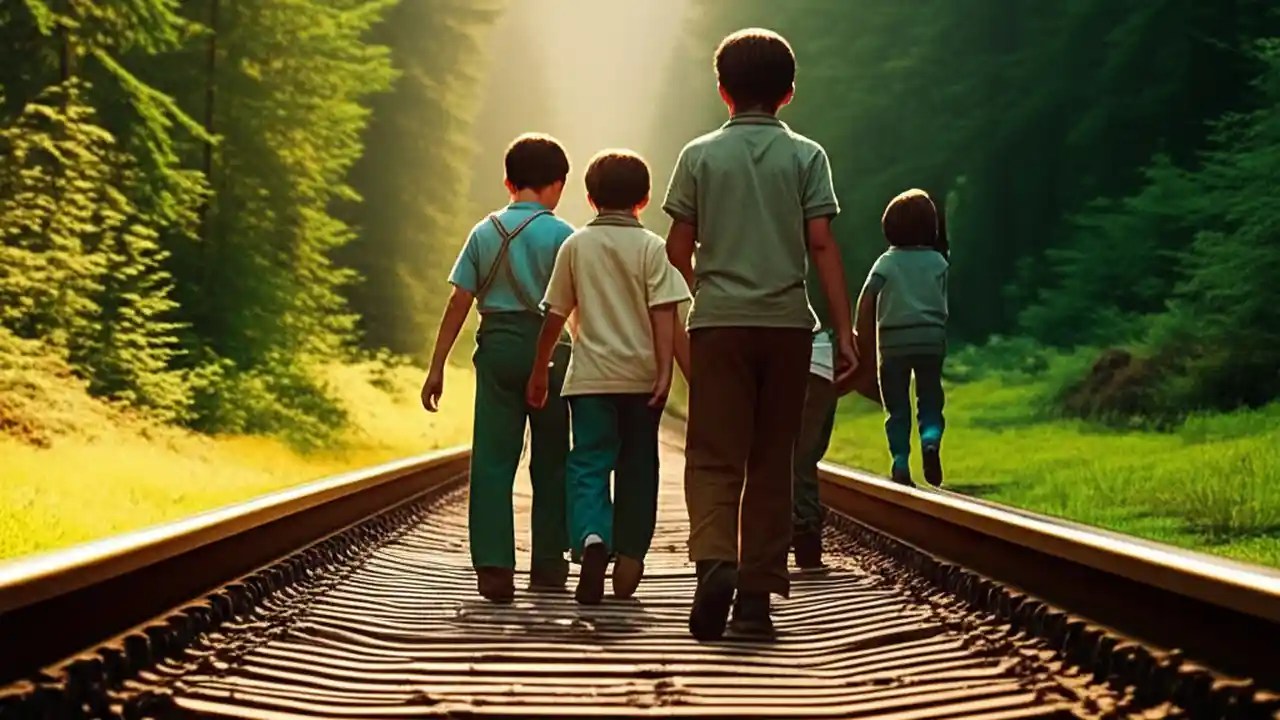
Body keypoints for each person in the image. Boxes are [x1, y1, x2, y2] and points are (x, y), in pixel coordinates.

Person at [664, 28, 856, 640]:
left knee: (713, 455)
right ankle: (754, 600)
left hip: (719, 324)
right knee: (773, 459)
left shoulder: (698, 156)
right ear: (788, 93)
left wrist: (706, 292)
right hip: (787, 327)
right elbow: (821, 244)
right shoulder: (807, 156)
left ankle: (715, 560)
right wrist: (845, 331)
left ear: (722, 91)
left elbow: (676, 248)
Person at [527, 149, 690, 606]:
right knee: (639, 467)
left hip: (590, 380)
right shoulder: (653, 248)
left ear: (590, 197)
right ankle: (632, 556)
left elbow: (555, 315)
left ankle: (593, 536)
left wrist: (539, 369)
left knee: (588, 464)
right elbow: (664, 313)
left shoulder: (576, 246)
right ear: (644, 199)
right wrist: (665, 371)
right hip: (641, 380)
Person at [420, 133, 575, 603]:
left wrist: (437, 366)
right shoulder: (564, 236)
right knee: (552, 459)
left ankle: (493, 566)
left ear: (508, 182)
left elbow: (459, 301)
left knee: (492, 459)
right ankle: (548, 564)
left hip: (498, 349)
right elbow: (576, 307)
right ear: (557, 184)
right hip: (551, 353)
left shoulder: (484, 232)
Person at [854, 188, 949, 488]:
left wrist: (861, 341)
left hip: (893, 343)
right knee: (930, 397)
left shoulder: (886, 262)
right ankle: (930, 439)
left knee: (896, 406)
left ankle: (900, 461)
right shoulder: (939, 262)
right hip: (931, 340)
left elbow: (867, 299)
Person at [791, 328, 838, 572]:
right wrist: (845, 341)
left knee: (769, 455)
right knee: (804, 458)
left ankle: (765, 545)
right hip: (818, 355)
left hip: (762, 353)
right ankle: (807, 539)